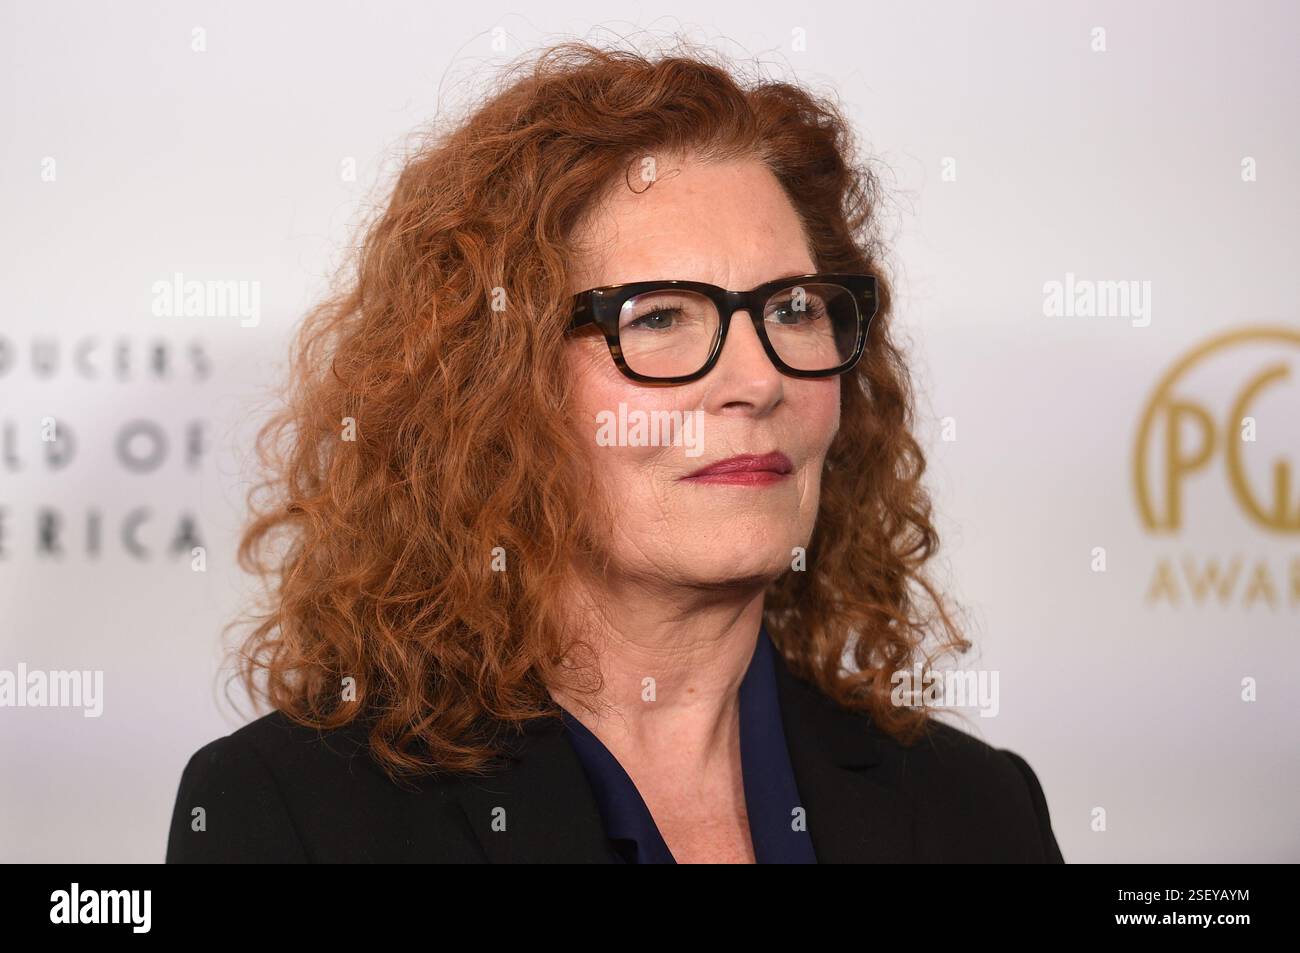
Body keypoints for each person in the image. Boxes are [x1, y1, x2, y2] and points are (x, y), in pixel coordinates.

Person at [166, 41, 1064, 864]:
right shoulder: (294, 815)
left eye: (792, 307)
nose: (757, 380)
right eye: (661, 316)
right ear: (495, 391)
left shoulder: (976, 808)